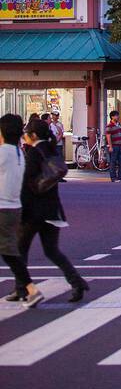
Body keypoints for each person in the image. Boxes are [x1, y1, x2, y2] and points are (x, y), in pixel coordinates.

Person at [18, 114, 88, 303]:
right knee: (52, 250)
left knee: (20, 249)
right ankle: (76, 281)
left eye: (26, 133)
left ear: (32, 135)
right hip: (52, 209)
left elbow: (27, 183)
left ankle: (22, 288)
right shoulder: (50, 150)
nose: (24, 136)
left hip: (34, 211)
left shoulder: (33, 153)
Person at [0, 114, 42, 308]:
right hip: (14, 207)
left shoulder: (4, 153)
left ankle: (30, 288)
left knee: (9, 251)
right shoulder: (19, 153)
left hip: (3, 208)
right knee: (9, 250)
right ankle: (27, 288)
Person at [105, 109, 121, 182]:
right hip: (114, 146)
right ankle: (113, 178)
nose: (118, 117)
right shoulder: (109, 126)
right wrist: (110, 146)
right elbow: (108, 136)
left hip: (120, 145)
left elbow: (120, 135)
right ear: (112, 117)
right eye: (116, 116)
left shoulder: (119, 125)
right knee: (113, 162)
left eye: (118, 115)